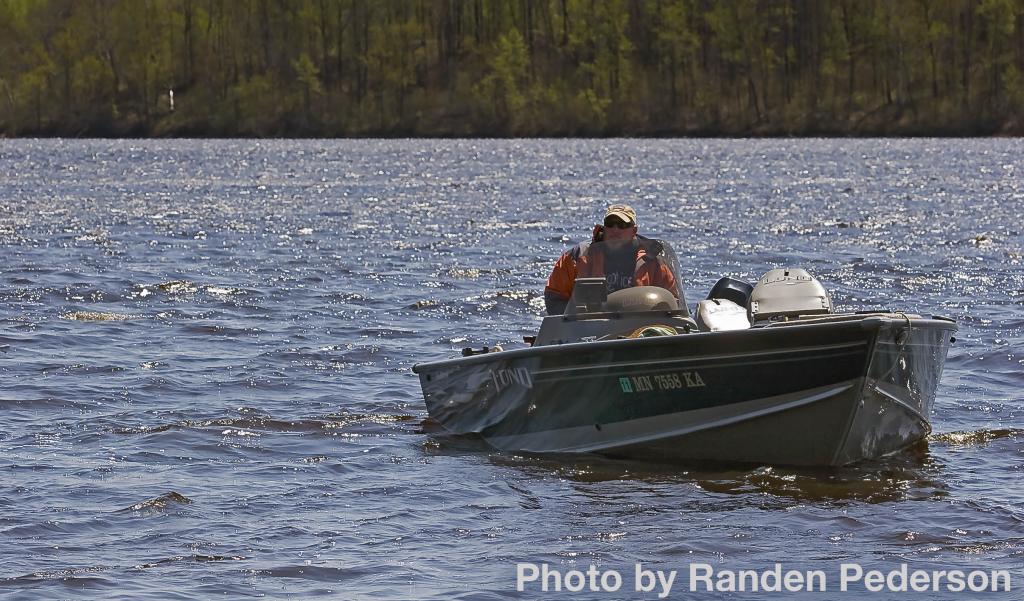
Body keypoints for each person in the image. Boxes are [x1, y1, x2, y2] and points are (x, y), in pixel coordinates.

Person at [544, 204, 677, 315]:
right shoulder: (578, 255)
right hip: (589, 329)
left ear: (634, 230)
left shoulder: (652, 260)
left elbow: (671, 300)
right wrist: (572, 321)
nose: (615, 229)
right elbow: (555, 295)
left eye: (622, 225)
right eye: (610, 224)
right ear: (604, 227)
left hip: (638, 327)